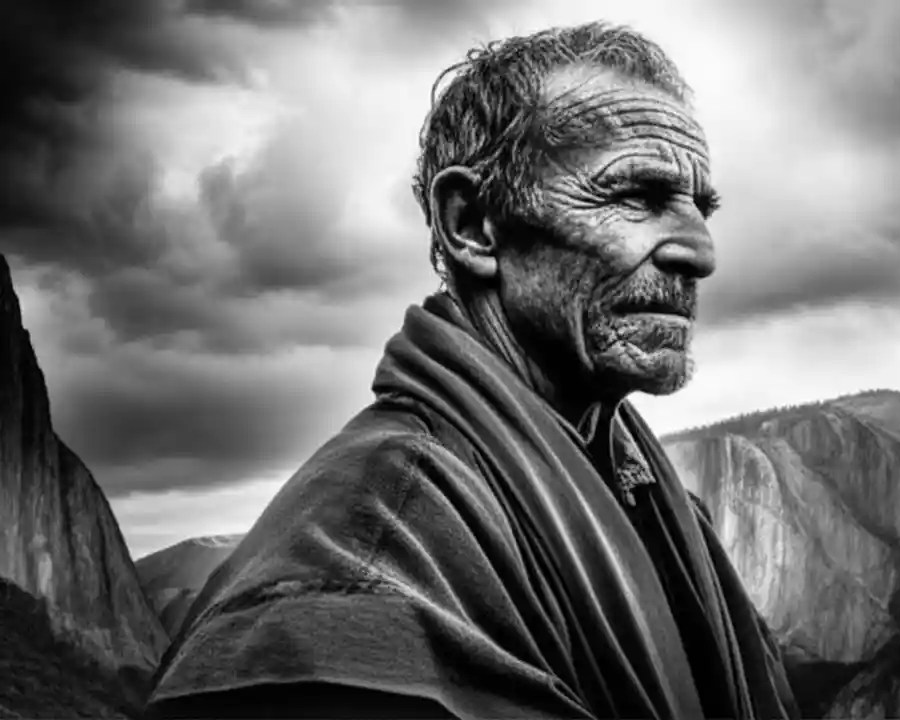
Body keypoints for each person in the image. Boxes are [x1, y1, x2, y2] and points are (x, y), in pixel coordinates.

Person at [145, 21, 799, 720]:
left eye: (701, 207)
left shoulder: (657, 505)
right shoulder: (369, 549)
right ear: (473, 225)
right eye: (637, 196)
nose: (700, 252)